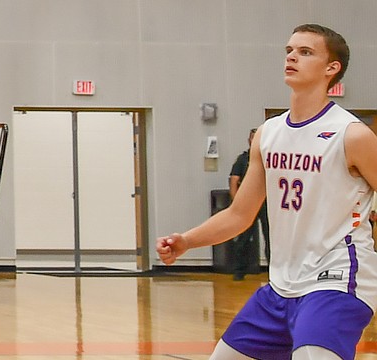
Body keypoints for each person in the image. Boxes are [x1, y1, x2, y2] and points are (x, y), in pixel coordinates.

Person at [158, 25, 376, 360]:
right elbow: (239, 214)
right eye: (290, 50)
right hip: (281, 285)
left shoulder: (352, 135)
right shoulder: (268, 133)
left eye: (306, 52)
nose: (292, 56)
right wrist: (187, 241)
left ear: (331, 68)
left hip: (337, 280)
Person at [228, 127, 269, 279]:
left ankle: (273, 272)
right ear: (249, 140)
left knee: (270, 237)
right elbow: (234, 180)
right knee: (243, 238)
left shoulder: (270, 158)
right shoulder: (243, 159)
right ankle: (239, 271)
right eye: (253, 138)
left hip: (266, 203)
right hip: (248, 202)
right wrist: (237, 202)